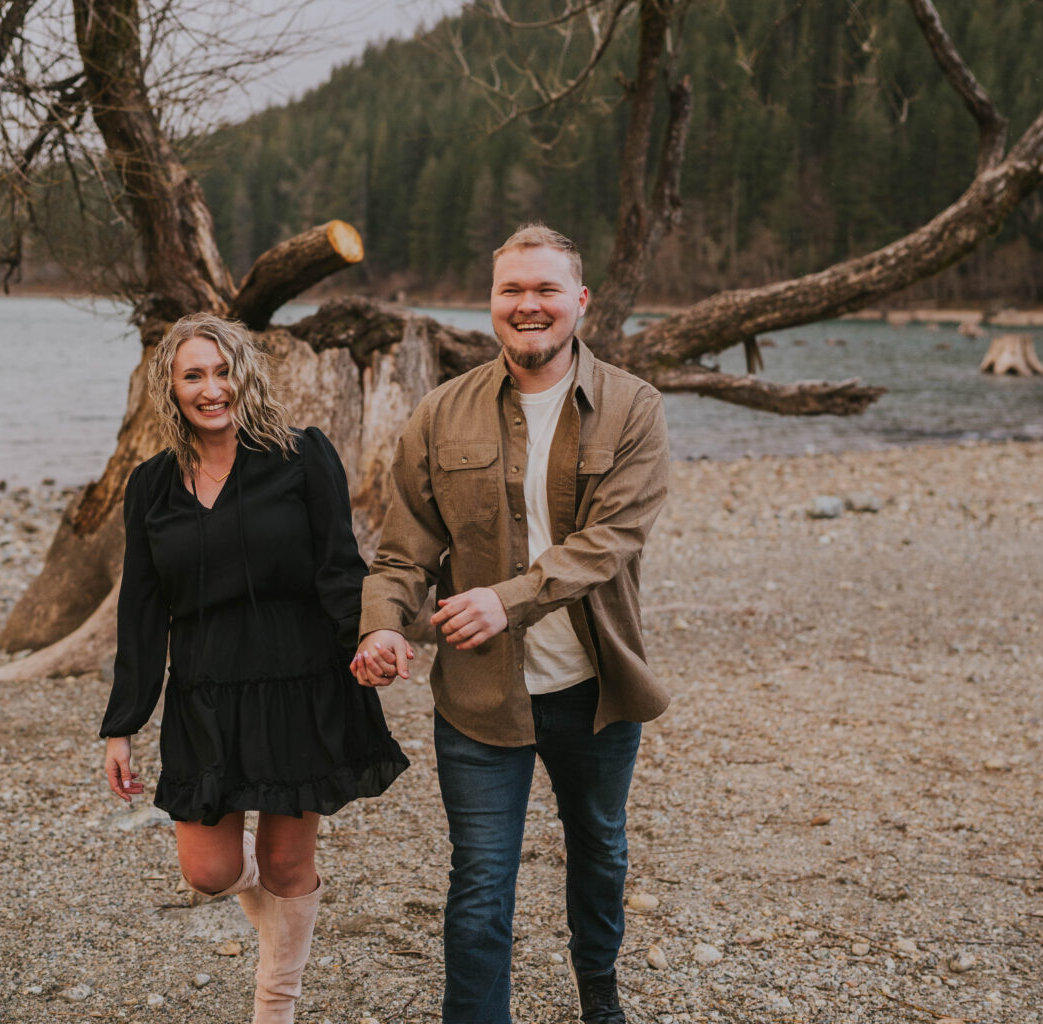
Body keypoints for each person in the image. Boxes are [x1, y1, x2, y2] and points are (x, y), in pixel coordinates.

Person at [351, 224, 670, 1024]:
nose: (528, 305)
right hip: (479, 697)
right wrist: (382, 628)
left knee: (599, 849)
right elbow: (401, 554)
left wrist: (507, 598)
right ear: (490, 304)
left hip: (594, 690)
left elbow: (610, 543)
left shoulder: (633, 407)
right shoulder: (438, 414)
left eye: (546, 290)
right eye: (511, 291)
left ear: (579, 302)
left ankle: (597, 983)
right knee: (480, 882)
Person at [102, 312, 409, 1024]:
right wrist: (122, 725)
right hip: (205, 695)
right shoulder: (150, 486)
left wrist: (369, 637)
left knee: (285, 865)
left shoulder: (302, 456)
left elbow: (339, 567)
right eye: (194, 376)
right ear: (171, 390)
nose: (213, 388)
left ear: (247, 373)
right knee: (207, 873)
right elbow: (142, 612)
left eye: (223, 370)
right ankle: (281, 928)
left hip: (299, 683)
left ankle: (277, 1006)